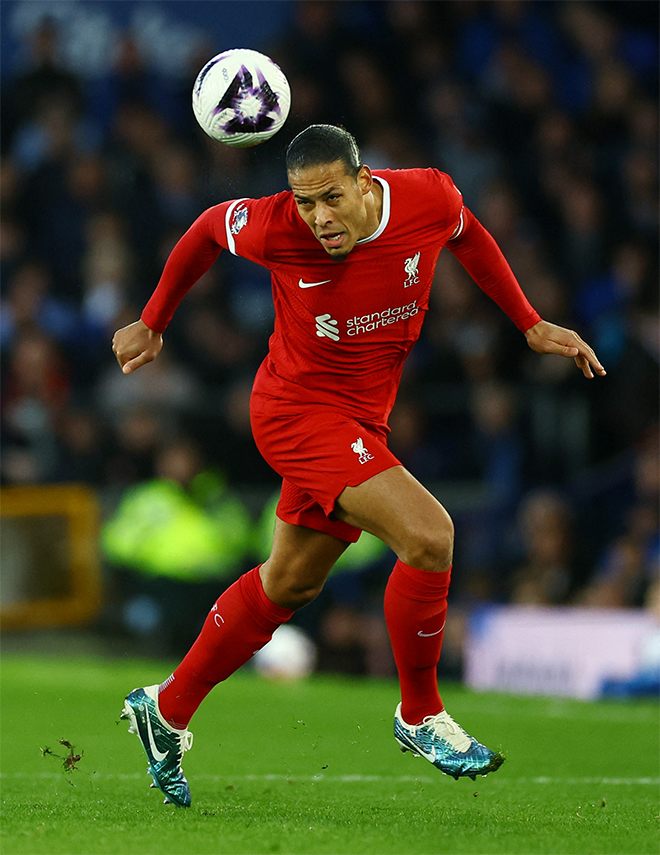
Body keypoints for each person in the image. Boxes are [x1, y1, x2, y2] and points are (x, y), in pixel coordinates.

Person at [113, 124, 605, 807]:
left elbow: (468, 233)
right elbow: (203, 229)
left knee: (287, 583)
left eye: (330, 198)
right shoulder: (276, 226)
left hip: (360, 419)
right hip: (294, 411)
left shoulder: (428, 196)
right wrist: (153, 319)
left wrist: (528, 322)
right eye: (305, 202)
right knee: (430, 535)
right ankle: (420, 713)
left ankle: (164, 709)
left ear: (364, 180)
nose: (317, 217)